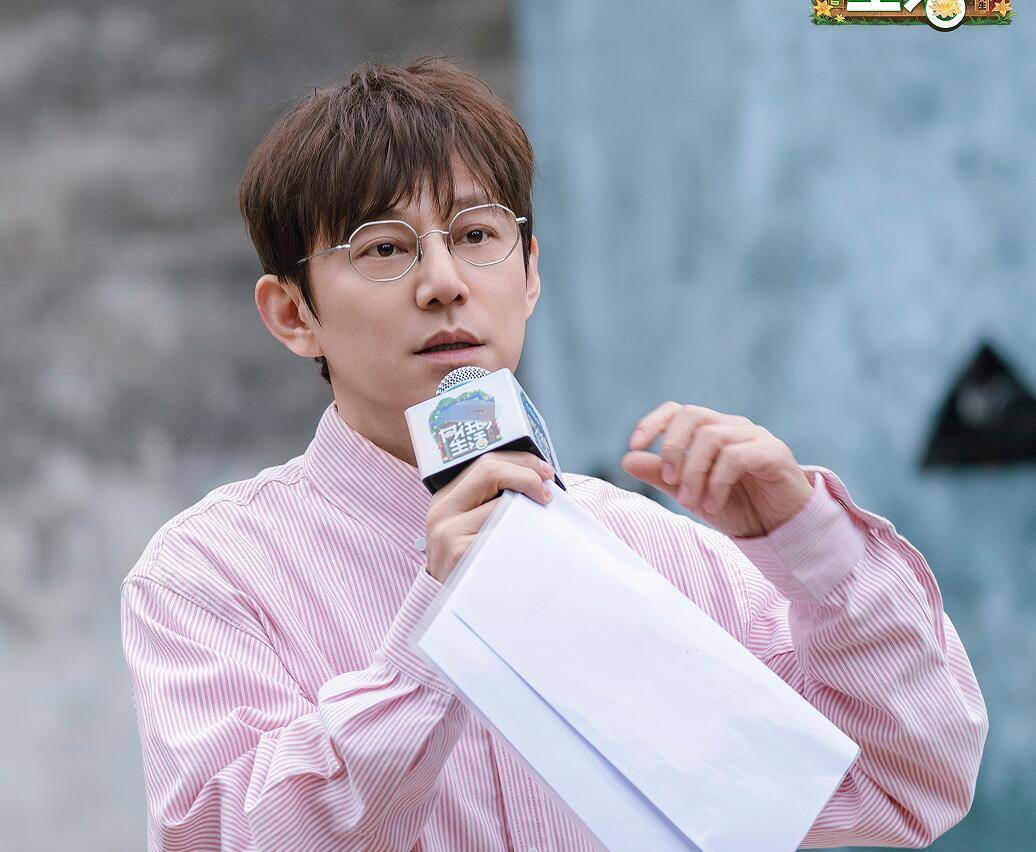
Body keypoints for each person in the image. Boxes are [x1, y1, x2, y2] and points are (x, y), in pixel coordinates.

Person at [120, 56, 988, 851]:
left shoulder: (659, 551)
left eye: (476, 237)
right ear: (292, 314)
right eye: (384, 249)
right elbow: (220, 837)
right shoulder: (211, 573)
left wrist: (807, 541)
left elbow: (900, 784)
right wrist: (429, 646)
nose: (444, 283)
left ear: (529, 272)